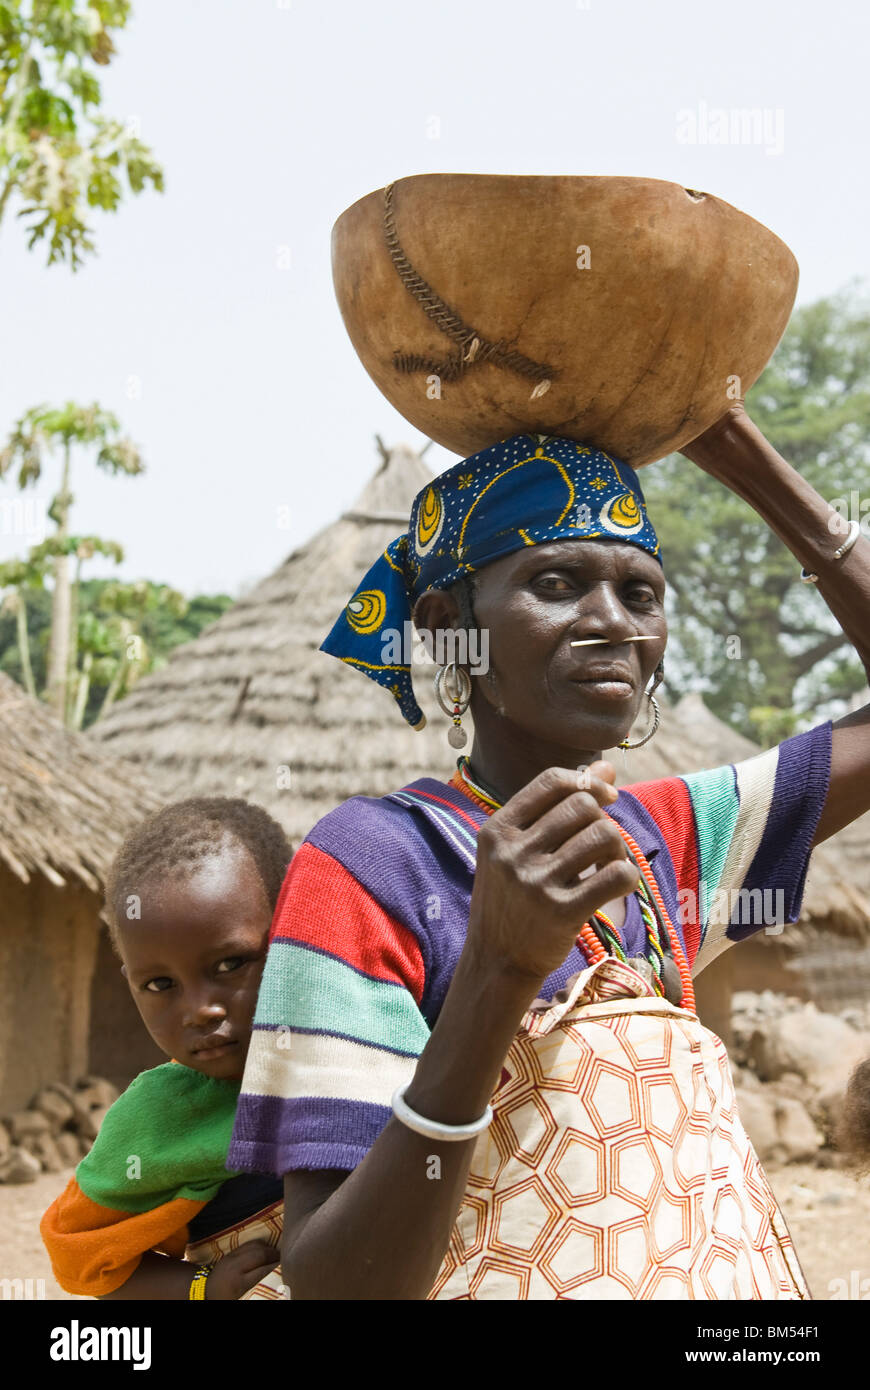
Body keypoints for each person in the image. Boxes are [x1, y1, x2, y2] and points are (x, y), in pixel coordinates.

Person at [228, 409, 870, 1300]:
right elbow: (341, 1286)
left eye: (641, 595)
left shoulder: (664, 840)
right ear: (451, 625)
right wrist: (497, 969)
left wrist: (744, 460)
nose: (614, 624)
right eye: (559, 582)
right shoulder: (372, 865)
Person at [41, 798, 292, 1301]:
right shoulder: (159, 1118)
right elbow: (79, 1256)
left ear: (291, 934)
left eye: (230, 964)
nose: (199, 1010)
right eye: (159, 984)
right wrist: (202, 1288)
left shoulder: (358, 1041)